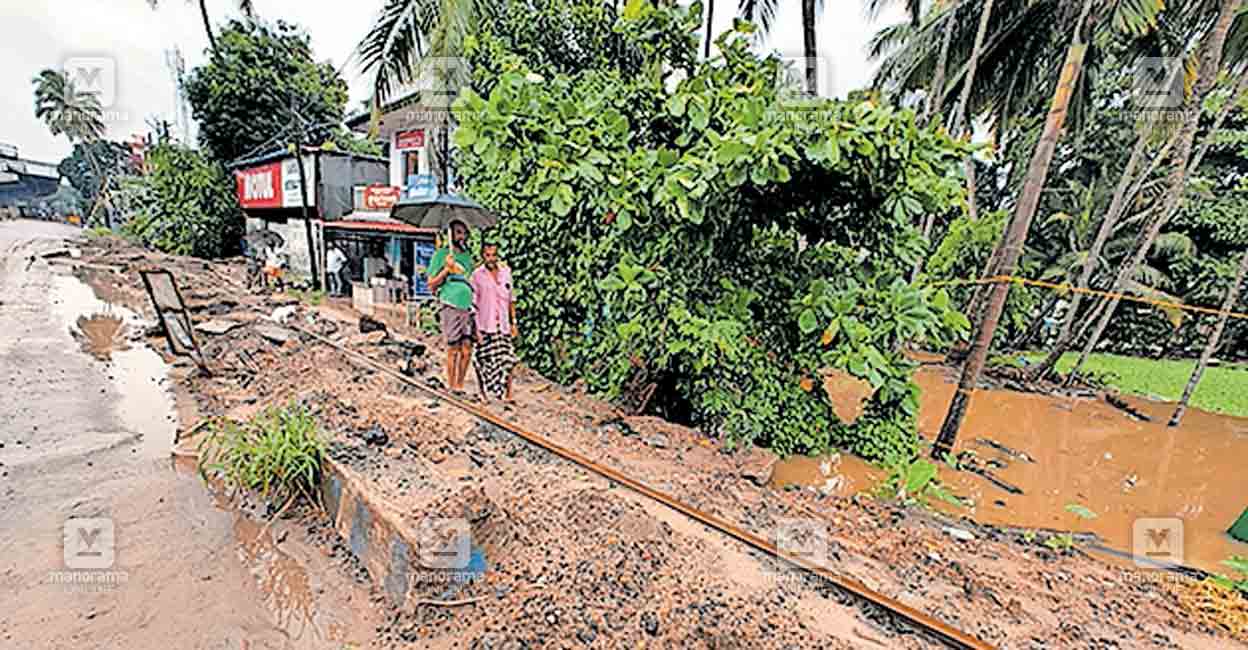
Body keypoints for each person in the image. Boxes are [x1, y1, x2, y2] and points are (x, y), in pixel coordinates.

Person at [426, 219, 475, 394]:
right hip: (450, 304)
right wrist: (446, 269)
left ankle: (460, 384)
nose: (462, 236)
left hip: (468, 306)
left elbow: (470, 278)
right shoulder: (441, 255)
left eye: (464, 232)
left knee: (467, 348)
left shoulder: (467, 256)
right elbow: (431, 284)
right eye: (458, 232)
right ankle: (452, 385)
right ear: (451, 234)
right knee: (453, 347)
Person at [470, 241, 518, 402]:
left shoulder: (506, 272)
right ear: (482, 256)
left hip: (502, 324)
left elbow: (511, 299)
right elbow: (473, 304)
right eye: (487, 255)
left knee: (509, 358)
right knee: (483, 359)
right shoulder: (477, 275)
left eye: (494, 255)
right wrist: (476, 329)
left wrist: (513, 322)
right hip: (485, 323)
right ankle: (482, 392)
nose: (491, 258)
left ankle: (508, 392)